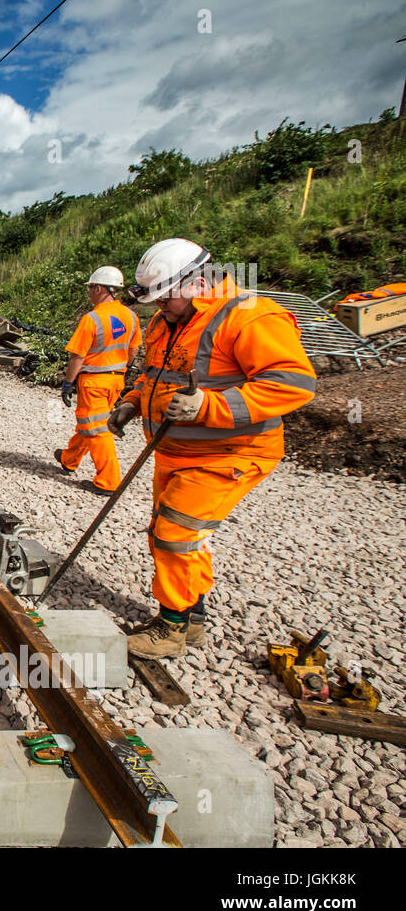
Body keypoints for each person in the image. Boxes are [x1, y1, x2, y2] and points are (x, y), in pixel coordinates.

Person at [108, 238, 316, 658]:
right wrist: (132, 402)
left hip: (230, 453)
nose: (159, 306)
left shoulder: (249, 317)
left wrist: (211, 406)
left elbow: (295, 383)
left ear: (195, 282)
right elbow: (156, 375)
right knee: (176, 536)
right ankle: (193, 617)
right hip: (175, 450)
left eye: (165, 297)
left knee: (174, 534)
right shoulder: (168, 321)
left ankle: (170, 630)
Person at [54, 266, 143, 495]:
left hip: (93, 380)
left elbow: (78, 356)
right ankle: (69, 458)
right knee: (91, 423)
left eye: (91, 288)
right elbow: (134, 349)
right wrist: (122, 369)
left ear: (101, 288)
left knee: (97, 428)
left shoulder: (92, 318)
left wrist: (68, 383)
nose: (89, 293)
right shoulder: (131, 317)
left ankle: (108, 481)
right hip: (116, 380)